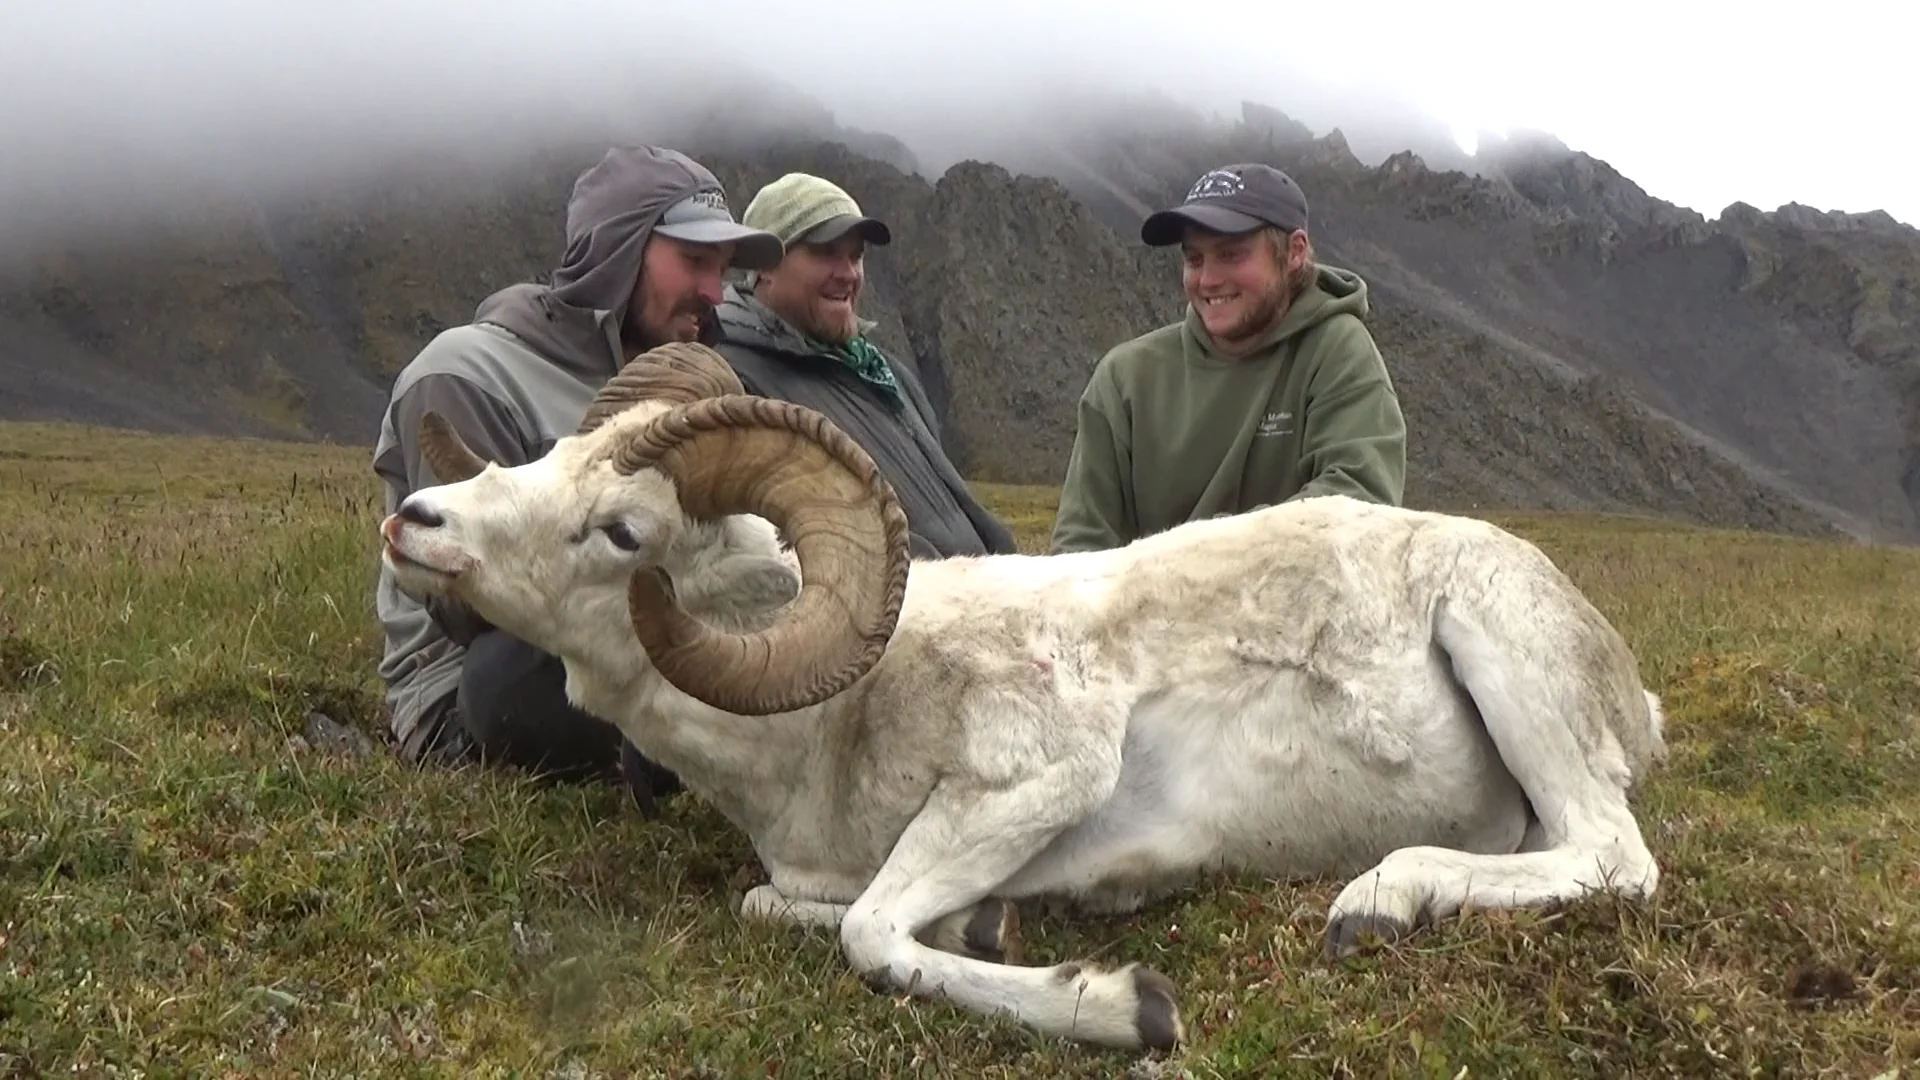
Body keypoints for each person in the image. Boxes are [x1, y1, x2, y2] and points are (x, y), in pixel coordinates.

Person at [369, 145, 785, 810]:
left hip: (647, 646)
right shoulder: (466, 373)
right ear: (619, 252)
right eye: (696, 262)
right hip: (480, 685)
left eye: (724, 270)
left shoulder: (671, 381)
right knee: (502, 680)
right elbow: (459, 603)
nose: (716, 293)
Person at [1048, 162, 1407, 554]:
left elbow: (1357, 508)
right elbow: (1077, 554)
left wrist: (1197, 562)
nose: (1207, 280)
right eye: (1194, 259)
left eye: (1231, 254)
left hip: (1294, 613)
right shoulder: (1124, 380)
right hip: (1151, 614)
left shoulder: (1336, 350)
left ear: (1294, 253)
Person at [711, 171, 1019, 559]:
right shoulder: (735, 383)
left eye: (856, 255)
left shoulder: (884, 371)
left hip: (971, 606)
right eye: (826, 253)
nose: (848, 274)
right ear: (766, 266)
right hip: (908, 615)